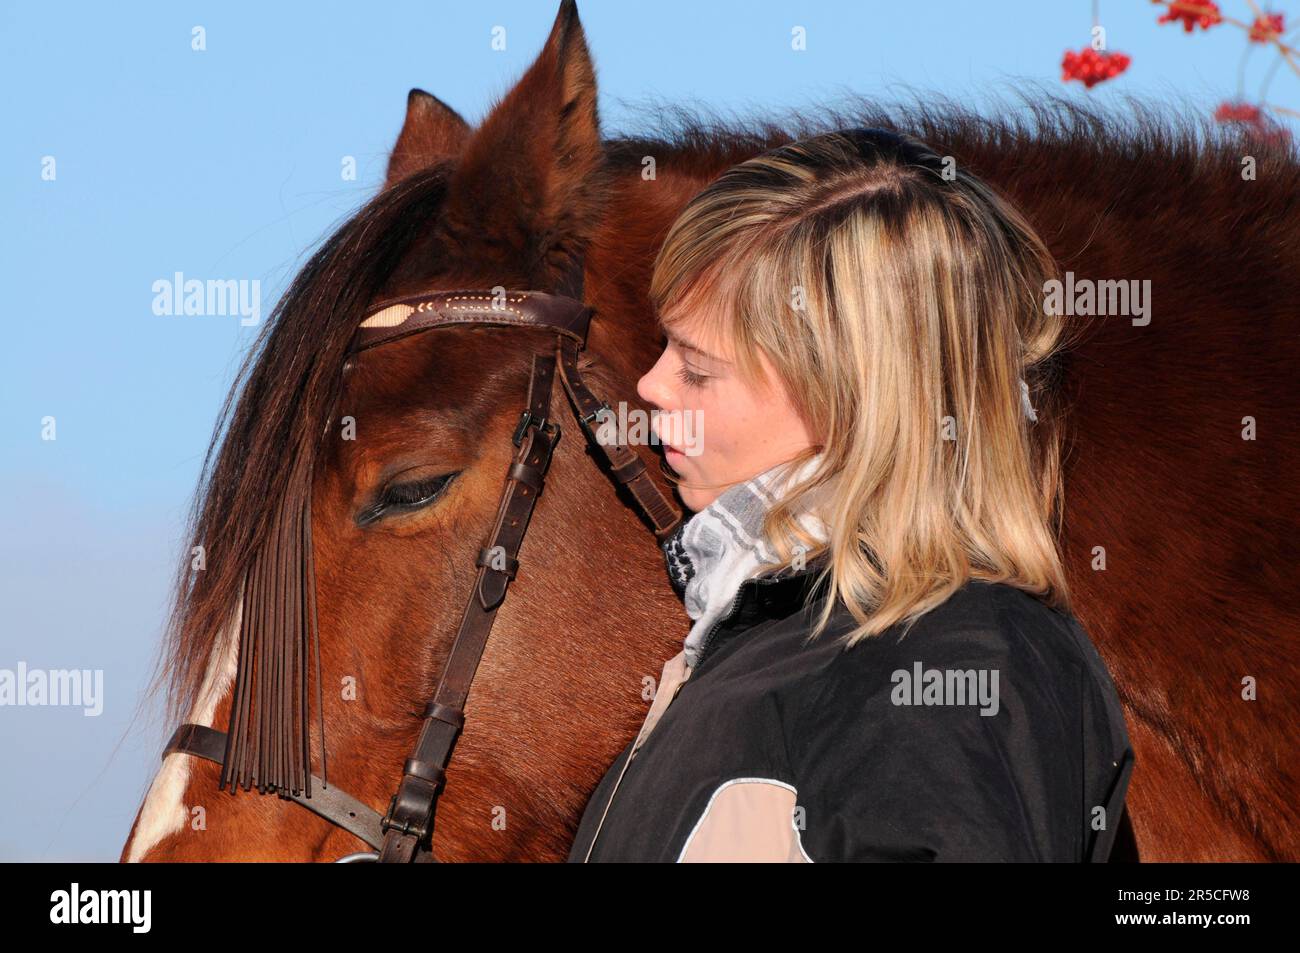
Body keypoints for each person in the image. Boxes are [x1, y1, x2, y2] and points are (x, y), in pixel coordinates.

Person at [567, 128, 1134, 863]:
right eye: (667, 345)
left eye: (698, 369)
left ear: (852, 402)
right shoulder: (768, 644)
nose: (649, 384)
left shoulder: (948, 658)